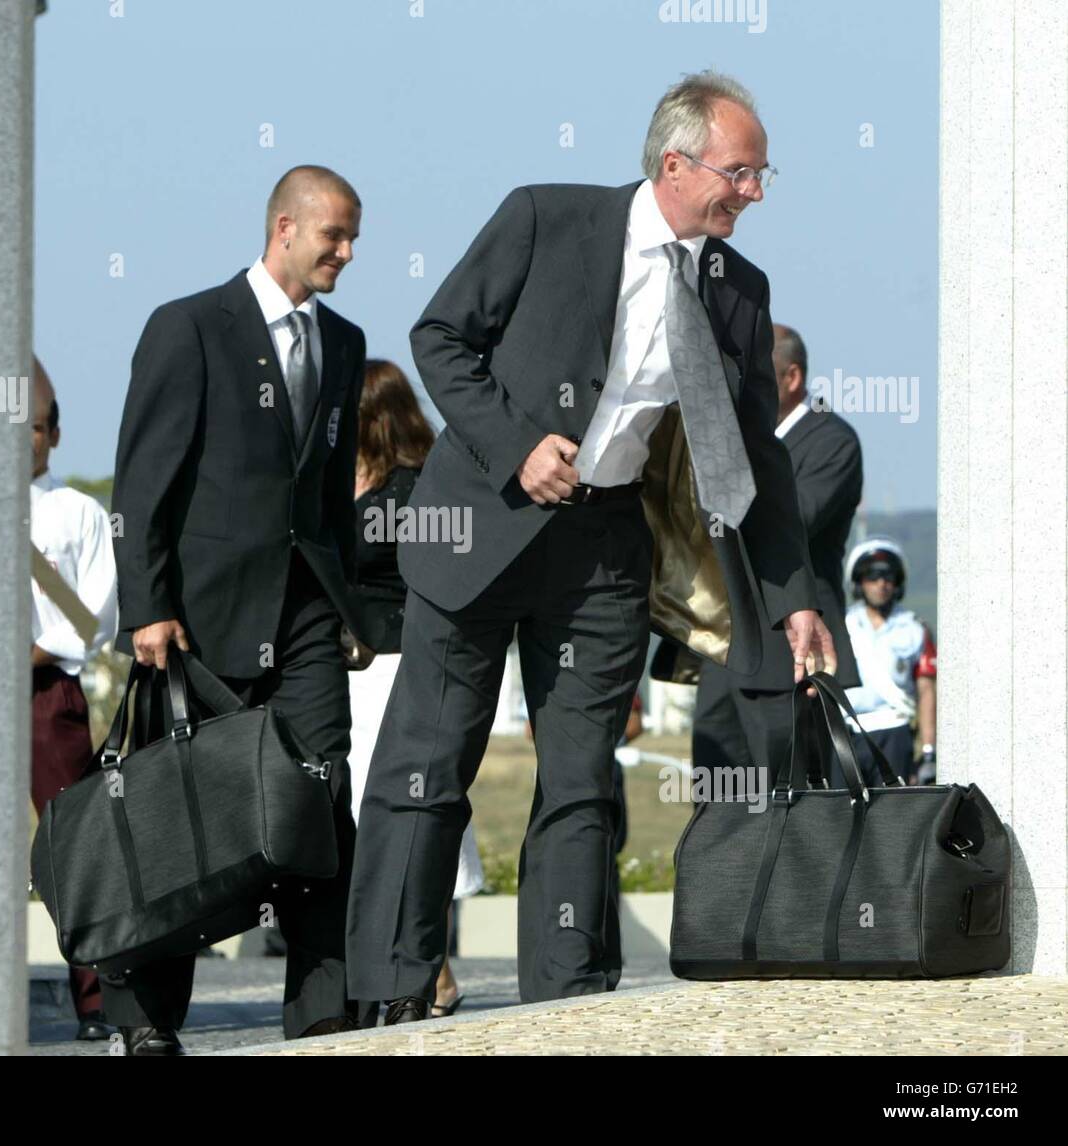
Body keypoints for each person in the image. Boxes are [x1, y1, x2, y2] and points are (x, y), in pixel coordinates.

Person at [346, 71, 835, 1024]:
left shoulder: (739, 290)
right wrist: (518, 444)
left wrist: (796, 595)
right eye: (742, 172)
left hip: (605, 552)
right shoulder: (545, 217)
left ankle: (569, 1007)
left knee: (581, 780)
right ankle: (388, 996)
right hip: (478, 528)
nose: (755, 192)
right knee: (429, 766)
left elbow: (755, 459)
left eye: (762, 174)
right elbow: (440, 336)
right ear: (676, 164)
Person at [107, 165, 368, 1054]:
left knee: (322, 806)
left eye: (354, 238)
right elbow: (145, 486)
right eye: (333, 235)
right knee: (183, 821)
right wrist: (147, 608)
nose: (346, 252)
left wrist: (349, 609)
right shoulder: (188, 328)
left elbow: (331, 498)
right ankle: (145, 1024)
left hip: (303, 623)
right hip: (198, 627)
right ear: (283, 227)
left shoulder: (346, 342)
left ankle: (323, 1018)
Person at [343, 358, 484, 1018]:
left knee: (410, 805)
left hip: (402, 664)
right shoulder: (343, 481)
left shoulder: (416, 485)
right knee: (358, 817)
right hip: (350, 674)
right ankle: (387, 966)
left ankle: (435, 968)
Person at [686, 324, 863, 787]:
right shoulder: (741, 439)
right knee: (717, 804)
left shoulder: (832, 442)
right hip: (728, 649)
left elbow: (792, 523)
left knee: (788, 804)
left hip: (791, 654)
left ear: (792, 377)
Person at [28, 357, 119, 1041]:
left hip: (44, 694)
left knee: (74, 845)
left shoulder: (76, 513)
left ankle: (96, 998)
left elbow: (93, 621)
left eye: (31, 428)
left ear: (54, 435)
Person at [842, 538, 937, 785]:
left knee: (891, 816)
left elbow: (927, 691)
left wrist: (928, 749)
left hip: (895, 732)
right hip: (846, 734)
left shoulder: (915, 629)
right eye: (872, 577)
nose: (881, 584)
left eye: (888, 577)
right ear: (859, 582)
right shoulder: (841, 626)